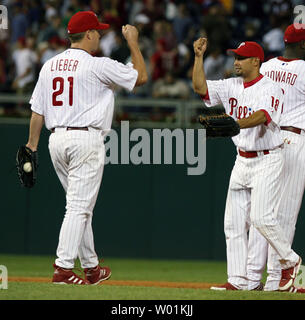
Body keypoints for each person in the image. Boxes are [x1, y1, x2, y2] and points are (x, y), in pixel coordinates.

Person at [24, 11, 147, 285]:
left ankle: (91, 268)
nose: (100, 36)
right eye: (98, 32)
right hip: (85, 140)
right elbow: (140, 78)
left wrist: (32, 145)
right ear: (89, 34)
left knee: (79, 207)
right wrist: (133, 43)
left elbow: (37, 111)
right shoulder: (97, 65)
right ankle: (63, 268)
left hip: (55, 140)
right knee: (79, 207)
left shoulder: (49, 65)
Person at [192, 38, 301, 292]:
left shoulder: (271, 87)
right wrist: (198, 58)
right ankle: (240, 280)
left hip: (268, 158)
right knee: (233, 223)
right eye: (235, 57)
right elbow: (200, 88)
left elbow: (264, 115)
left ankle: (291, 260)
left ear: (256, 61)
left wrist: (235, 124)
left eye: (241, 58)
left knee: (262, 218)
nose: (236, 62)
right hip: (242, 159)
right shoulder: (231, 85)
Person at [247, 24, 305, 292]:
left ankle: (252, 277)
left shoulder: (267, 67)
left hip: (267, 137)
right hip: (294, 139)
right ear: (302, 45)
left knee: (263, 212)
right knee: (284, 214)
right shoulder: (304, 69)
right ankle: (279, 279)